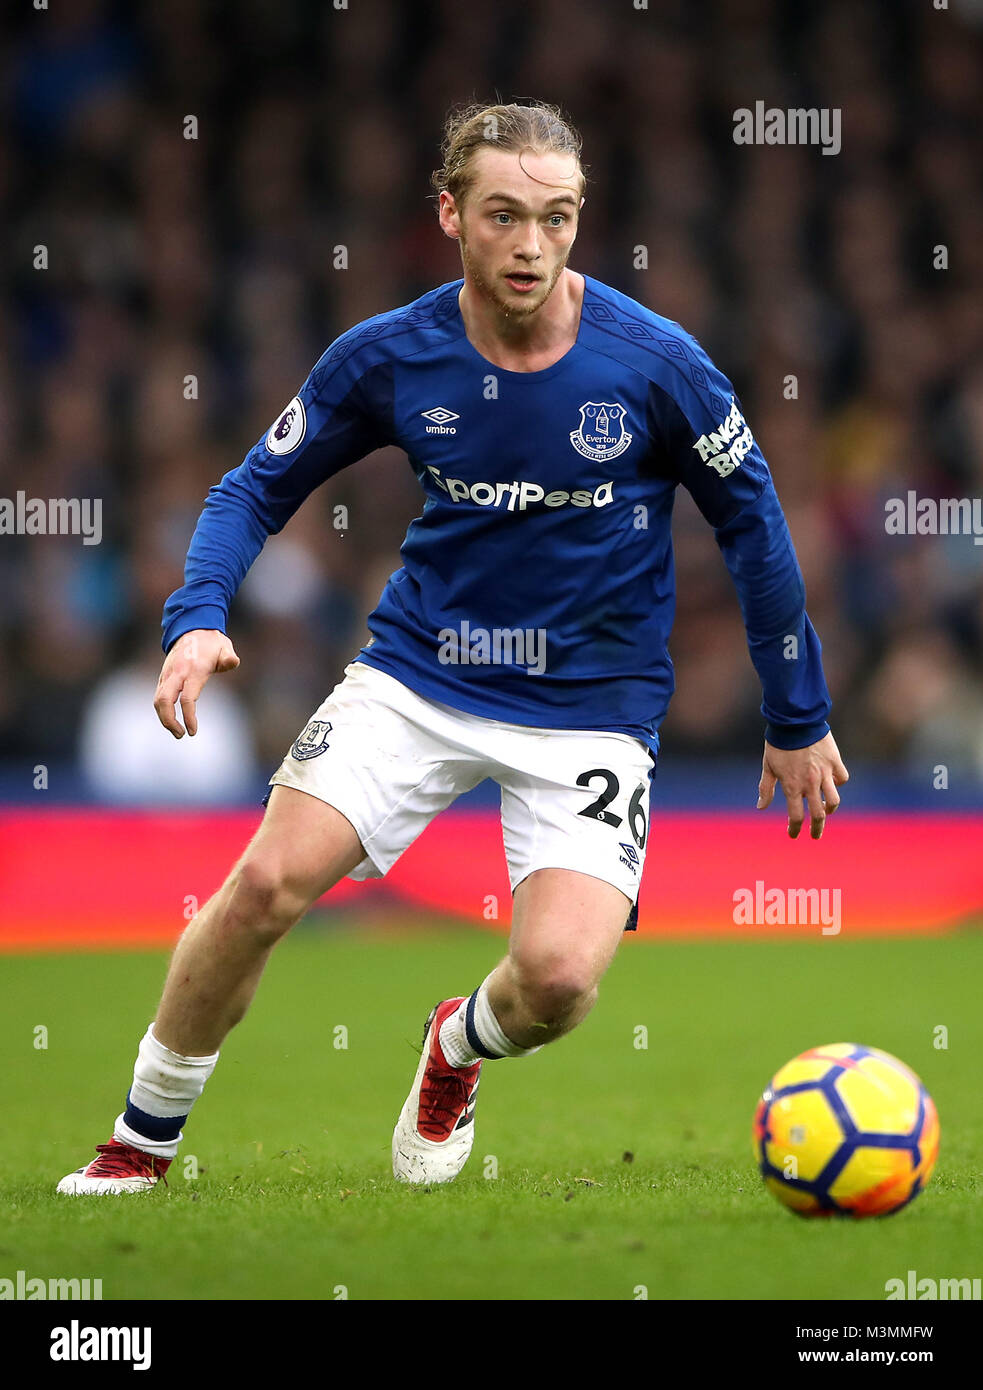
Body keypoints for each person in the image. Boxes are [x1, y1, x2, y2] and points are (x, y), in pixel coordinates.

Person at [58, 101, 848, 1195]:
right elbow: (253, 488)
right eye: (504, 215)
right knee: (262, 887)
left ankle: (455, 1047)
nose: (531, 244)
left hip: (591, 703)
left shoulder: (657, 366)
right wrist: (196, 614)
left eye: (557, 218)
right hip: (417, 675)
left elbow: (754, 524)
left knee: (561, 982)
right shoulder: (387, 357)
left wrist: (794, 712)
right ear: (450, 214)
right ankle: (138, 1141)